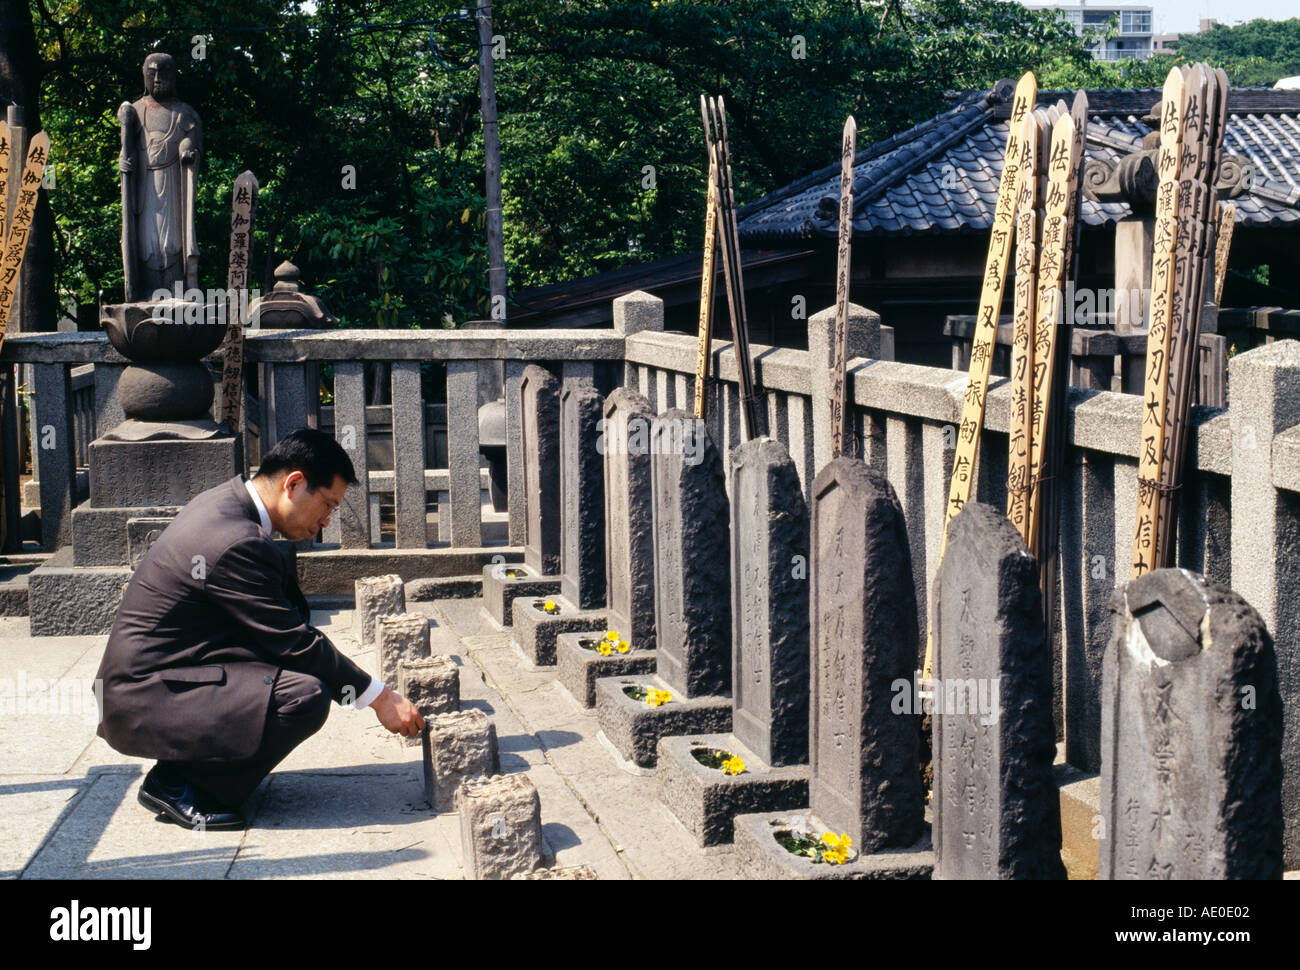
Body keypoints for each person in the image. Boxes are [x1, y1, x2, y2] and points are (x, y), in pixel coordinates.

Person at [95, 428, 424, 830]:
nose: (325, 522)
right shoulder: (236, 540)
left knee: (297, 673)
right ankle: (181, 784)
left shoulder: (229, 504)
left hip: (163, 675)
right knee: (302, 695)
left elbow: (281, 625)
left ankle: (193, 766)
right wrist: (380, 697)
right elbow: (294, 642)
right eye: (328, 505)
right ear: (294, 483)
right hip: (144, 696)